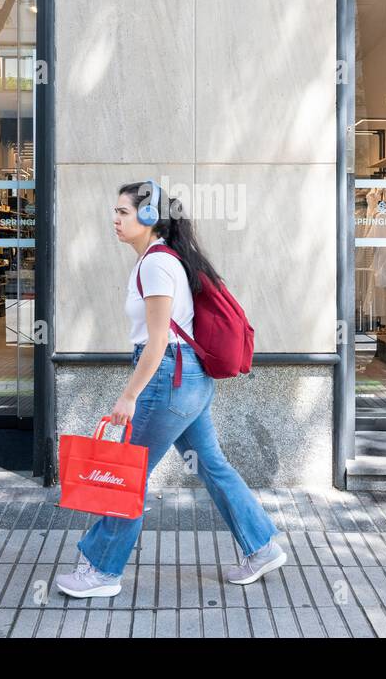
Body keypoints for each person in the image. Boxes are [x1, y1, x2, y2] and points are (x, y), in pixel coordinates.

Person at [54, 179, 286, 598]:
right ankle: (263, 545)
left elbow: (158, 341)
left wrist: (129, 395)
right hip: (186, 380)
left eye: (122, 212)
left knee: (129, 474)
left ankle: (103, 571)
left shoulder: (157, 264)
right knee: (212, 466)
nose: (115, 219)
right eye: (116, 211)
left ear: (148, 217)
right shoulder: (159, 260)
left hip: (169, 380)